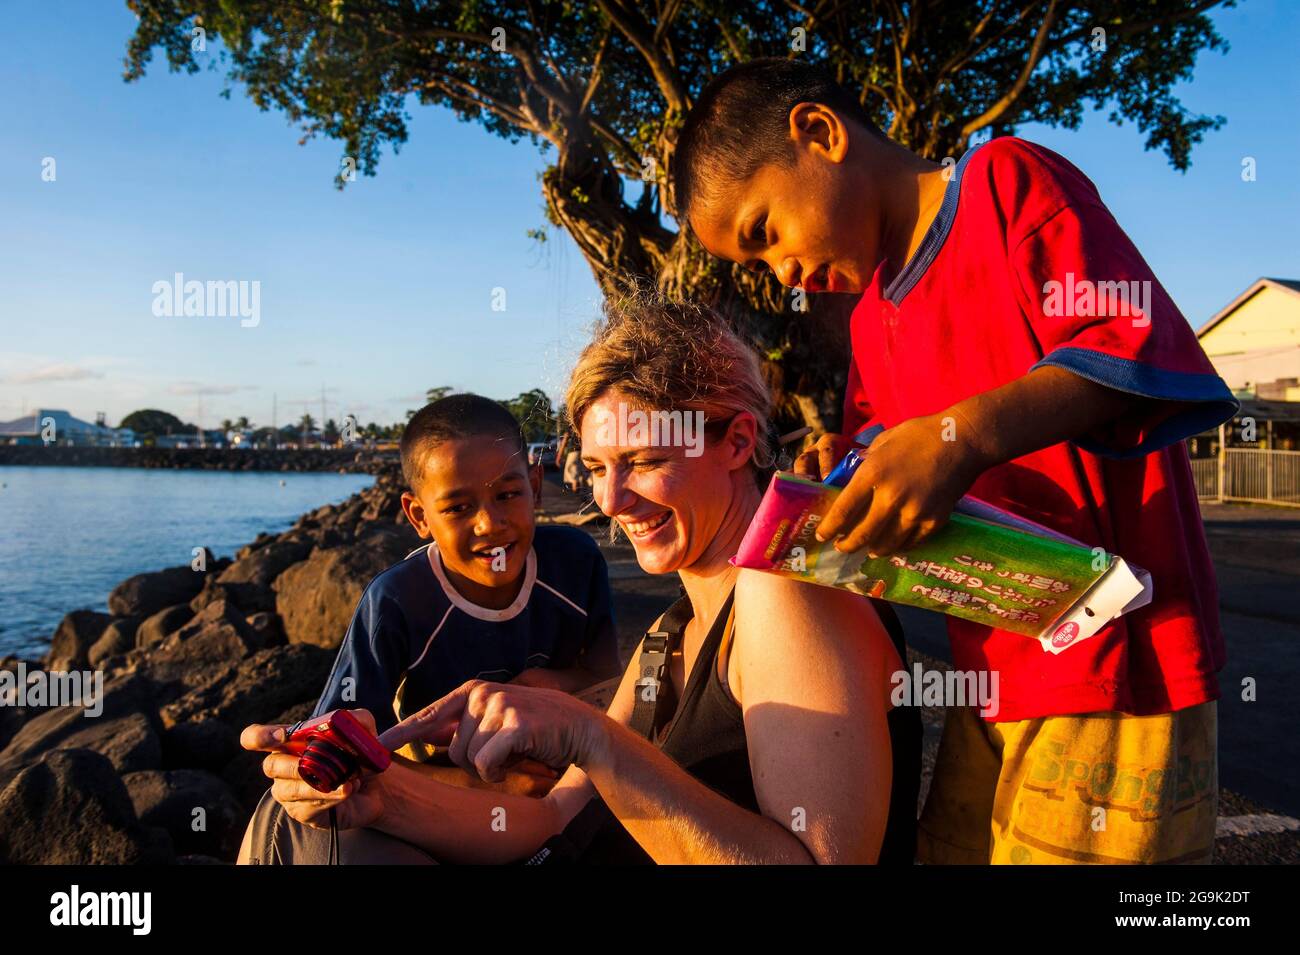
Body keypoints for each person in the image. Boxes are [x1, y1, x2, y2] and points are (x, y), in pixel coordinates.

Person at [673, 58, 1236, 864]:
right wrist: (848, 473)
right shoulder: (869, 317)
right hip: (996, 669)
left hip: (1117, 661)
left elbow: (1131, 342)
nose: (783, 273)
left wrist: (961, 436)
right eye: (757, 266)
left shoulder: (1007, 183)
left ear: (820, 134)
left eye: (766, 233)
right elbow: (884, 449)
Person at [238, 294, 920, 865]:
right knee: (299, 812)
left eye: (645, 458)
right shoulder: (671, 634)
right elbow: (548, 818)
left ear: (738, 441)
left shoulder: (785, 590)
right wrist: (380, 793)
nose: (613, 500)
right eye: (596, 468)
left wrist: (589, 733)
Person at [273, 394, 620, 804]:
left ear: (536, 487)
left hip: (569, 782)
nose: (490, 524)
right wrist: (490, 787)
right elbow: (346, 749)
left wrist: (537, 690)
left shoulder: (575, 563)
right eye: (458, 507)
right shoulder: (397, 601)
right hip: (443, 799)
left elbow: (609, 680)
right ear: (419, 516)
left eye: (508, 494)